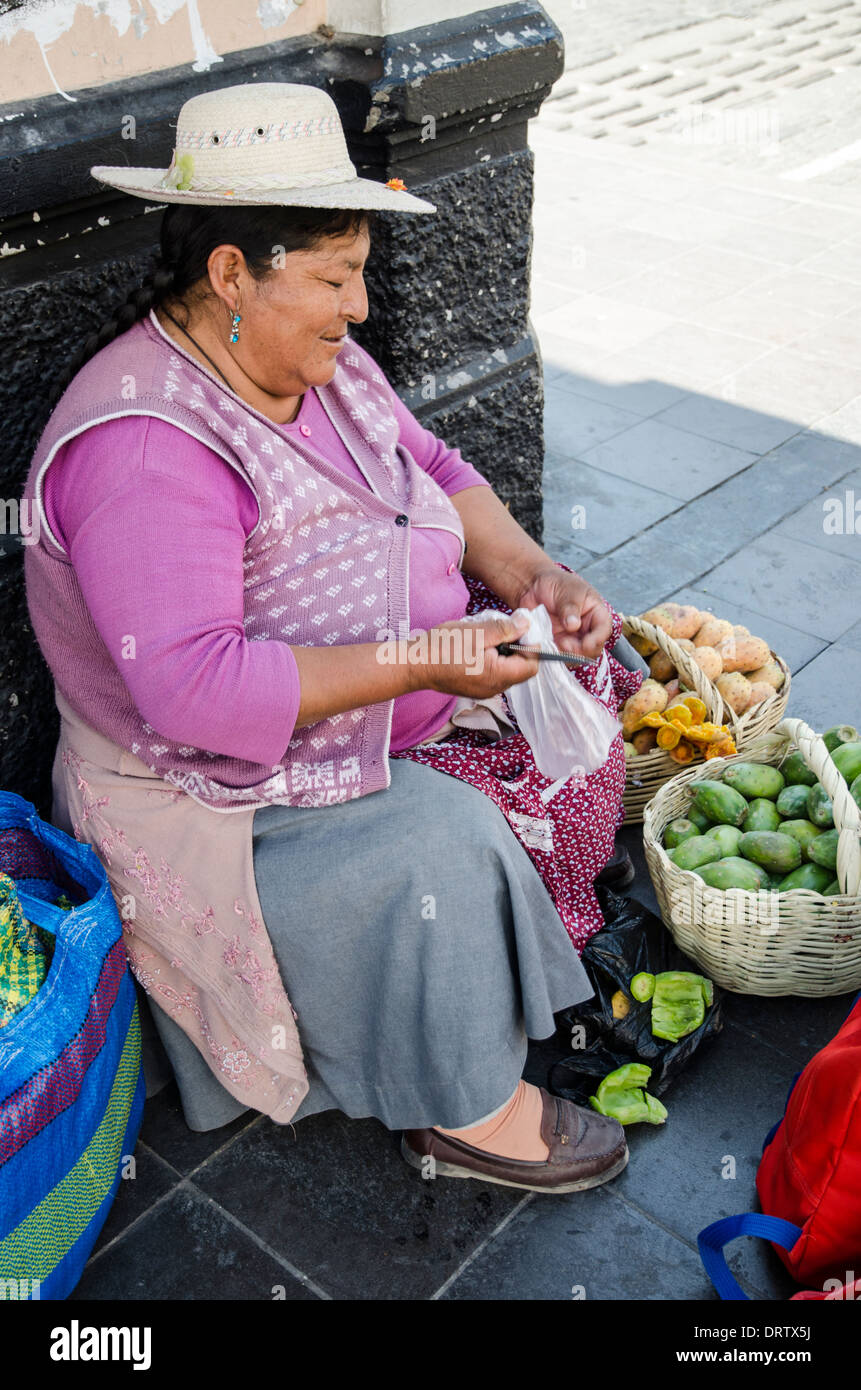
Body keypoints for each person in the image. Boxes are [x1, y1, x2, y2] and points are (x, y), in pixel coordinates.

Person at [21, 81, 639, 1195]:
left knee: (593, 692)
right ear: (230, 276)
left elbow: (438, 473)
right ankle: (464, 1107)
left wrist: (536, 576)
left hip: (373, 709)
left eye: (357, 273)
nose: (359, 308)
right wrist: (426, 661)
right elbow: (196, 695)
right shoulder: (149, 452)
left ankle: (499, 966)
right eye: (333, 278)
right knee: (439, 849)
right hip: (213, 792)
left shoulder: (321, 363)